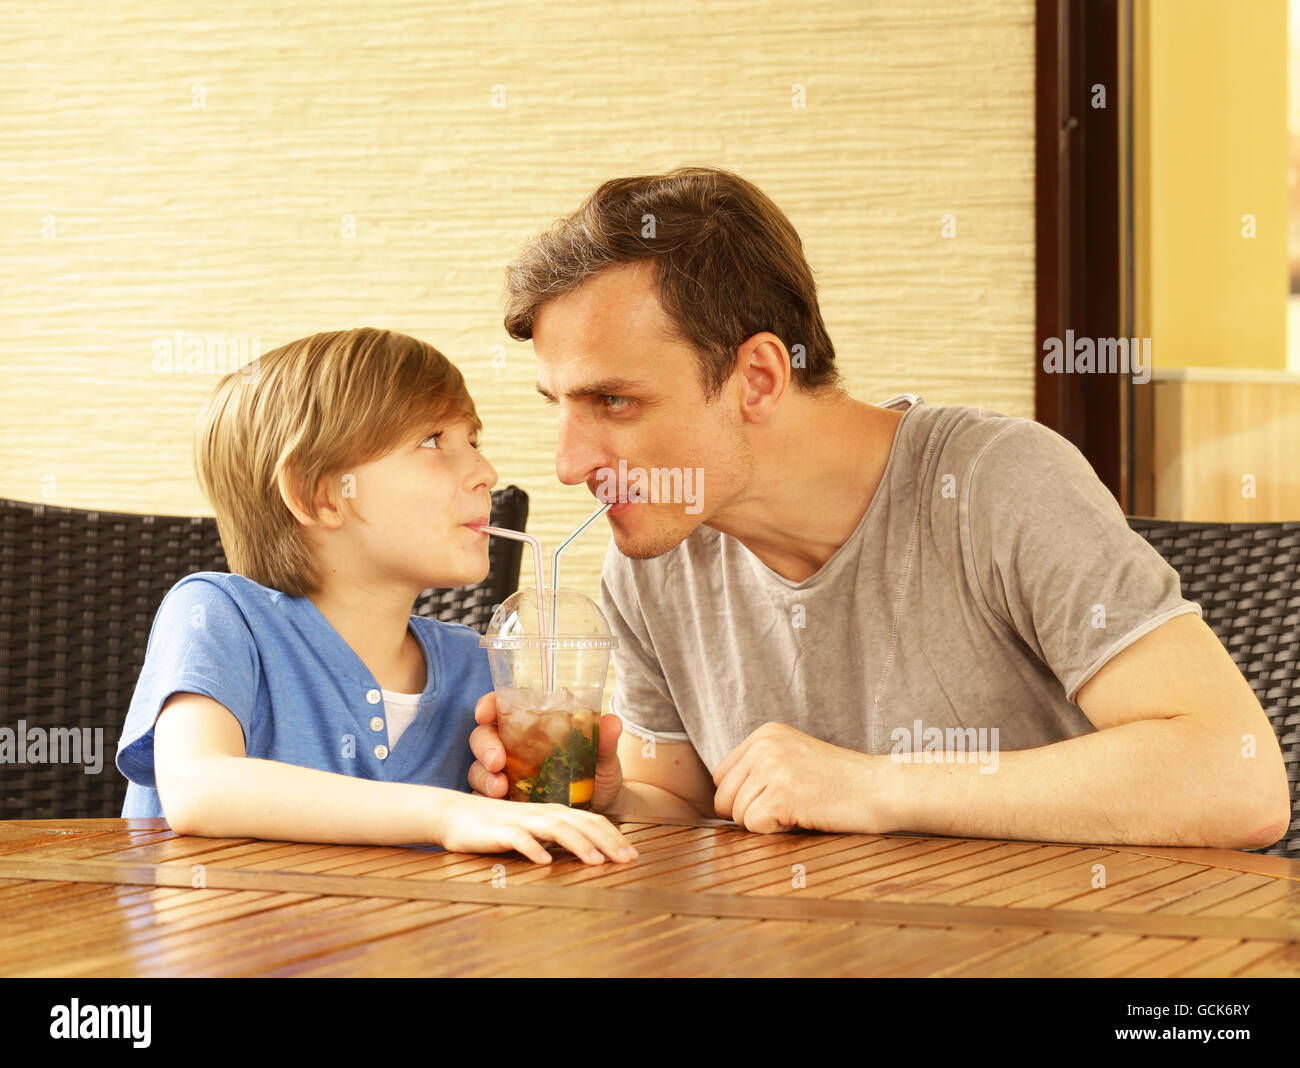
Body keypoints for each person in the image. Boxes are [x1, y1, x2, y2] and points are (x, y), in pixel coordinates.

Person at [467, 167, 1291, 851]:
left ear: (758, 377)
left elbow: (1237, 779)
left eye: (612, 401)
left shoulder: (996, 484)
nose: (570, 464)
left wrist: (877, 785)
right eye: (558, 406)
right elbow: (684, 801)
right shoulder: (656, 554)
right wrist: (612, 798)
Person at [115, 327, 636, 866]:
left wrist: (597, 797)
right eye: (435, 441)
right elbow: (201, 789)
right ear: (321, 496)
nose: (486, 473)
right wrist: (447, 814)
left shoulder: (475, 666)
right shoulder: (217, 615)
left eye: (473, 441)